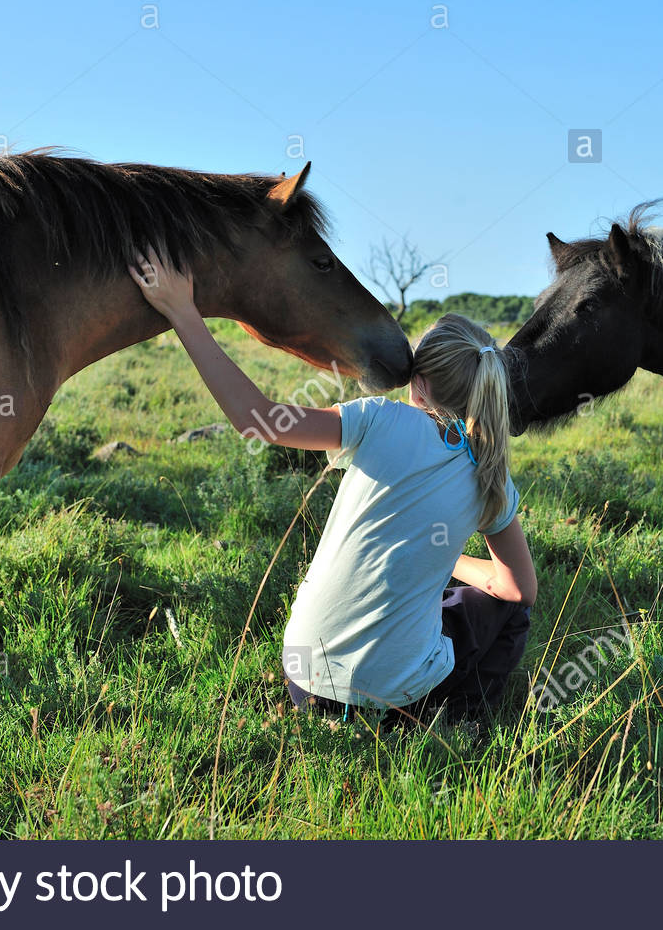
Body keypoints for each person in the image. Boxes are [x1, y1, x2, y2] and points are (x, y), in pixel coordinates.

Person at [129, 246, 537, 726]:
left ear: (419, 385)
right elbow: (516, 589)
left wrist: (182, 309)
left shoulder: (379, 419)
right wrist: (453, 561)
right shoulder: (491, 476)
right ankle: (467, 718)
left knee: (442, 598)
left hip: (302, 680)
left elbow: (255, 419)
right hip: (395, 706)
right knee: (503, 612)